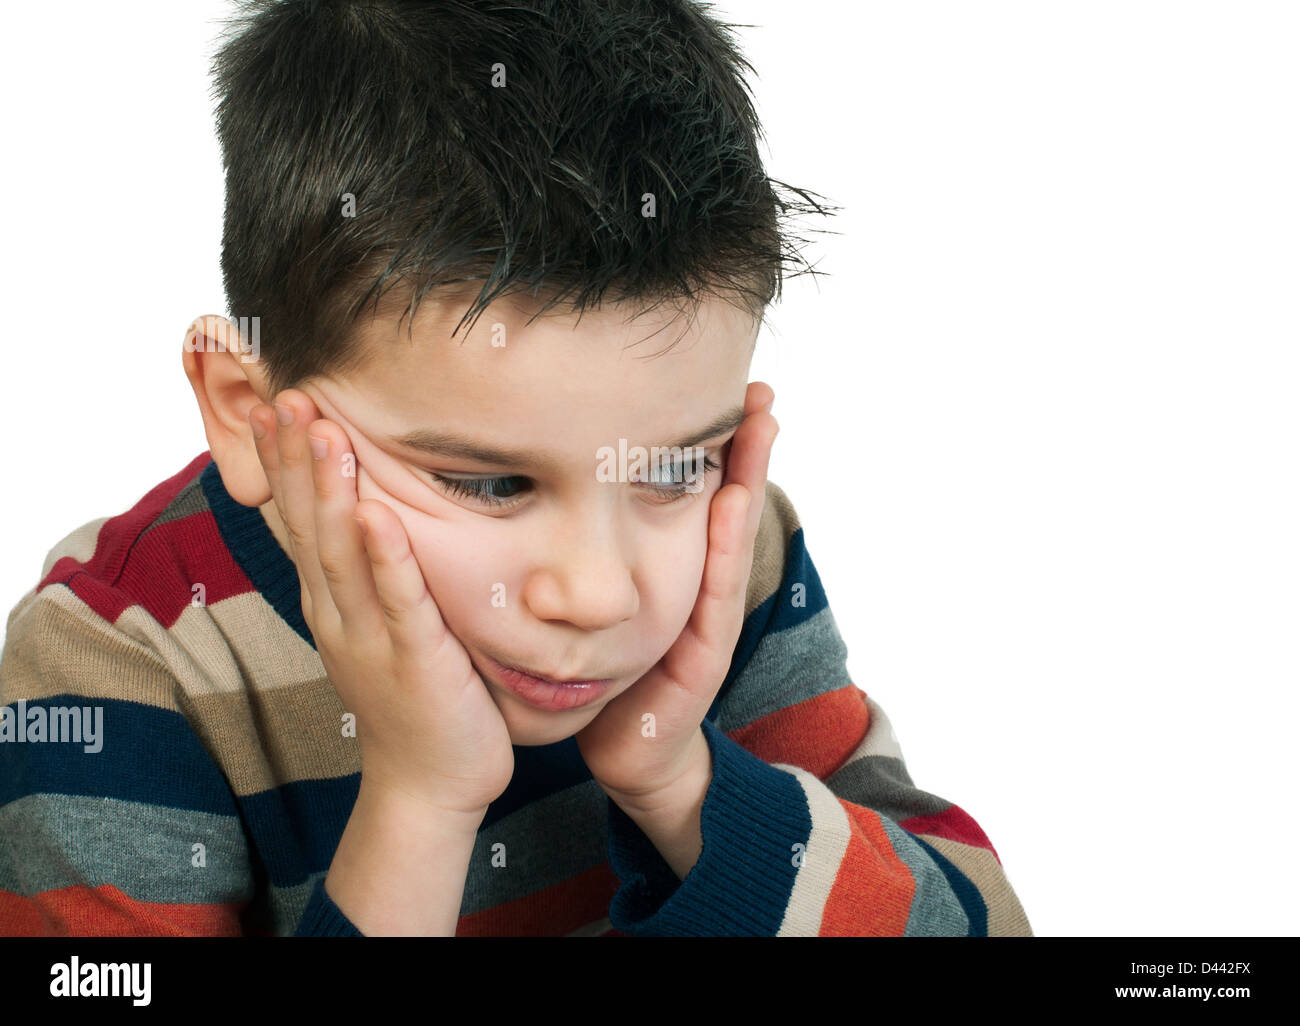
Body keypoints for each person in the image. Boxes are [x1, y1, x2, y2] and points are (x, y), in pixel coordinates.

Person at [0, 0, 1031, 936]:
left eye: (672, 466)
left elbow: (981, 924)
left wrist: (683, 781)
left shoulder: (731, 558)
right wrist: (419, 803)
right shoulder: (116, 673)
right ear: (248, 415)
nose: (598, 592)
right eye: (491, 484)